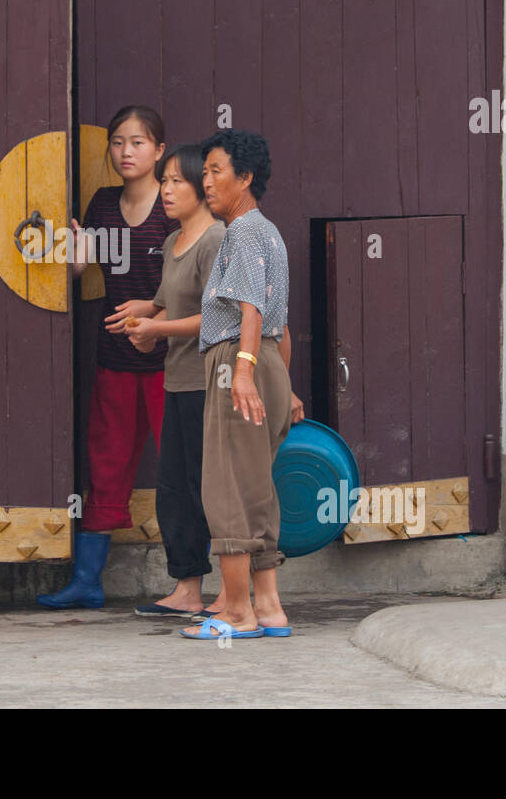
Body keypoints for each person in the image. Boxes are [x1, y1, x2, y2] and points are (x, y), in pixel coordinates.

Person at [37, 106, 179, 608]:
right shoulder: (100, 204)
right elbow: (83, 270)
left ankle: (199, 588)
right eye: (118, 143)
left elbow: (201, 282)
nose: (126, 152)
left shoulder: (175, 206)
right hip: (116, 359)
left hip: (171, 363)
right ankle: (87, 582)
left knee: (185, 471)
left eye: (138, 143)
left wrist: (157, 311)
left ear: (160, 150)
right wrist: (75, 260)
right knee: (107, 466)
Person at [180, 129, 306, 641]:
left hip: (239, 361)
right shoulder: (268, 231)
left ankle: (235, 611)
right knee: (256, 488)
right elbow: (281, 321)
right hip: (267, 360)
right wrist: (281, 382)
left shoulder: (242, 232)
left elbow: (251, 309)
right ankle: (269, 607)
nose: (205, 181)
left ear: (245, 178)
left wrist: (246, 371)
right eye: (204, 172)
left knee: (227, 486)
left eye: (216, 171)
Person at [122, 145, 228, 618]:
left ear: (202, 191)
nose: (165, 191)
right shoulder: (172, 243)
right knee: (174, 490)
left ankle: (232, 591)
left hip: (212, 383)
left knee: (214, 488)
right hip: (178, 381)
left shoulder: (217, 240)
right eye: (162, 182)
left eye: (175, 182)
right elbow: (170, 307)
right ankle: (187, 590)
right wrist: (146, 331)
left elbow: (217, 318)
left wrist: (157, 328)